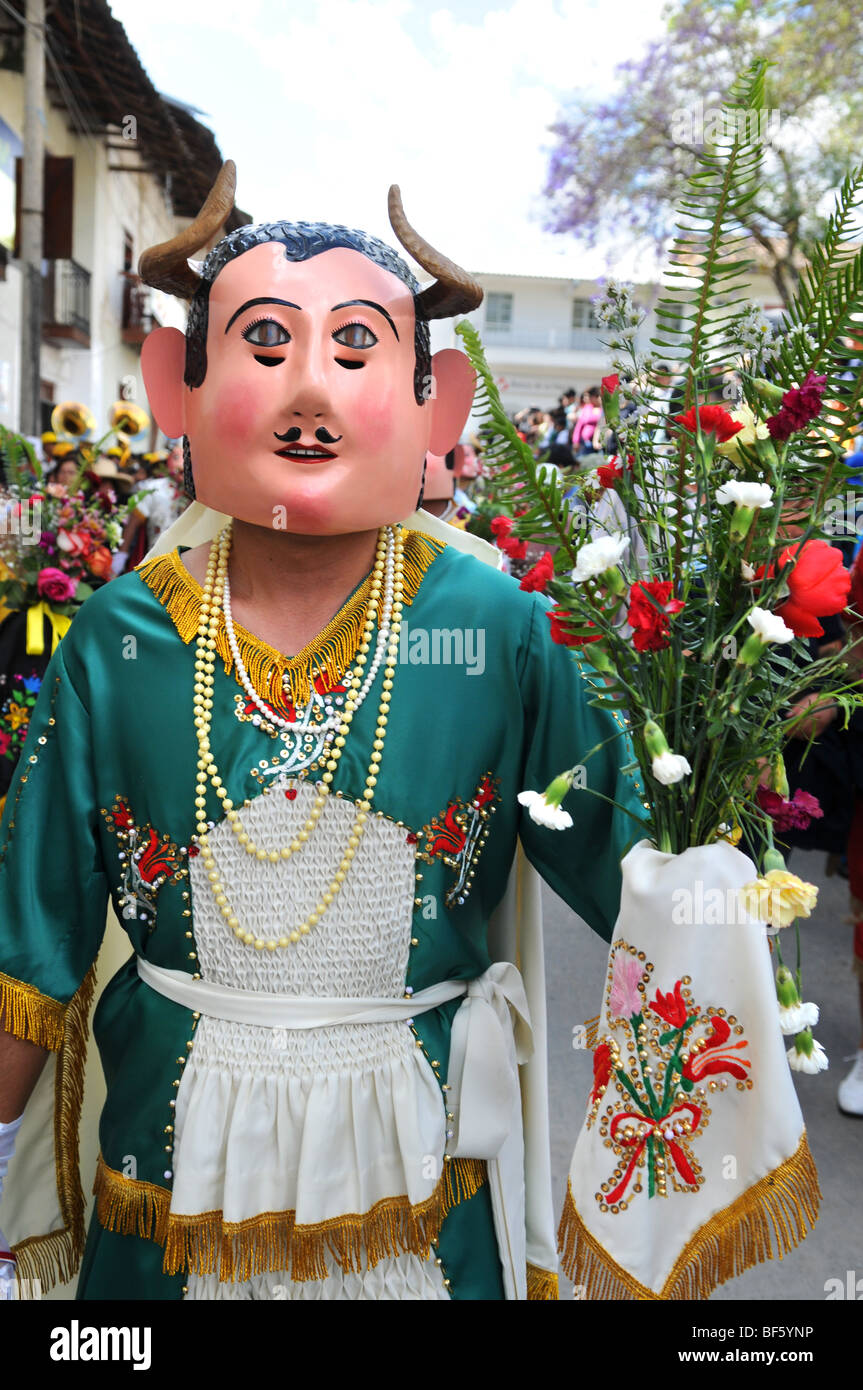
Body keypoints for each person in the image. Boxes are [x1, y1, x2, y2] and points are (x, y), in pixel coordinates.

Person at [0, 164, 646, 1301]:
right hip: (165, 1184)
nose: (312, 391)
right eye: (263, 347)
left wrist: (723, 905)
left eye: (355, 351)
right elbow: (30, 944)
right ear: (176, 390)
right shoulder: (119, 637)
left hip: (419, 1169)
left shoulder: (502, 630)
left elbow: (636, 872)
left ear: (430, 403)